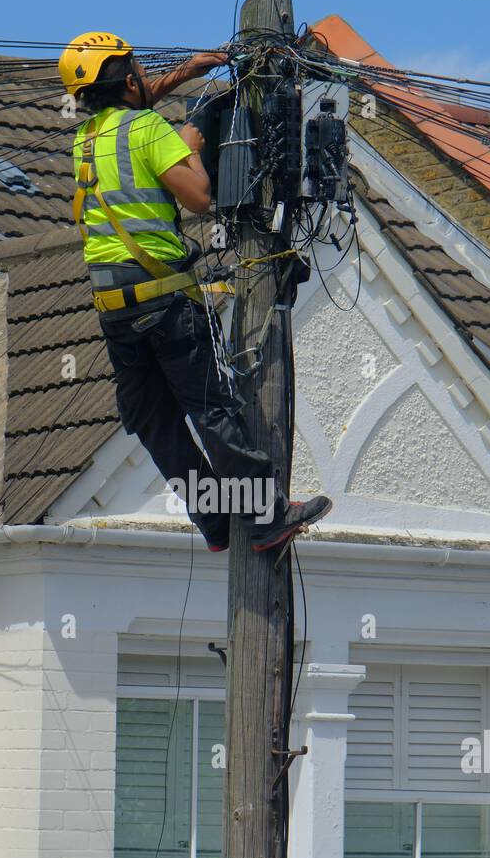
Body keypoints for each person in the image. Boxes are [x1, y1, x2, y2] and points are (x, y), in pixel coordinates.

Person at [58, 31, 332, 552]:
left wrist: (189, 71)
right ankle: (266, 516)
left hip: (114, 311)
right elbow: (201, 198)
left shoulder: (89, 138)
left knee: (152, 419)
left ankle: (212, 518)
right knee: (212, 407)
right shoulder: (147, 130)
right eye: (136, 68)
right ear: (125, 77)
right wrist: (189, 146)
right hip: (164, 300)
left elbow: (133, 108)